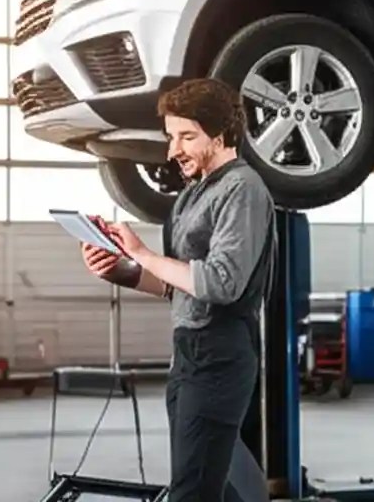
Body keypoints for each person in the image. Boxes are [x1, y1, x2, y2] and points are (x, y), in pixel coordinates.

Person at [80, 77, 275, 501]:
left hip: (220, 355)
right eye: (172, 137)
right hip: (187, 353)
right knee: (213, 485)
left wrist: (146, 255)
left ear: (221, 134)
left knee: (192, 491)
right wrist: (120, 269)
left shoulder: (243, 189)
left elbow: (220, 283)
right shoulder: (192, 195)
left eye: (187, 136)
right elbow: (180, 287)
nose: (174, 150)